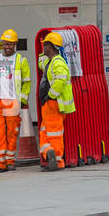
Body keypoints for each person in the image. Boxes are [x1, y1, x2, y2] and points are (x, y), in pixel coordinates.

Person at [0, 28, 31, 173]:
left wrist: (23, 99)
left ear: (15, 44)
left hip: (13, 101)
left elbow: (27, 82)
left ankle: (10, 161)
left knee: (12, 133)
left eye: (10, 44)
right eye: (5, 44)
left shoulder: (21, 61)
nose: (8, 47)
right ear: (2, 44)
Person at [36, 31, 75, 171]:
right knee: (44, 132)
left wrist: (51, 95)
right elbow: (42, 63)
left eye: (45, 45)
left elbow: (61, 79)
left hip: (53, 103)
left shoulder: (58, 62)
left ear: (50, 46)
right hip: (48, 104)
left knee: (54, 133)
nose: (43, 47)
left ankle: (57, 161)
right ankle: (48, 152)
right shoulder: (50, 61)